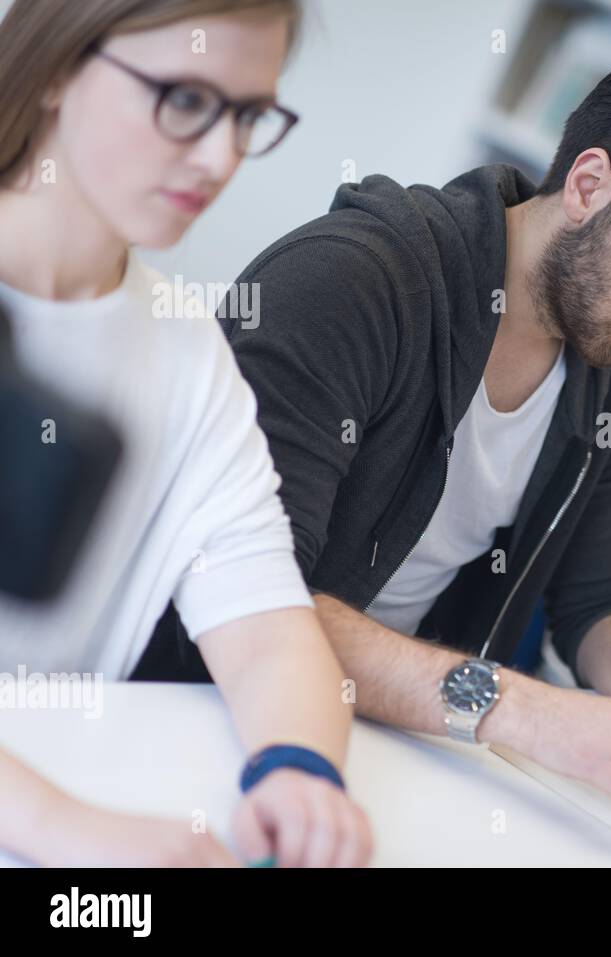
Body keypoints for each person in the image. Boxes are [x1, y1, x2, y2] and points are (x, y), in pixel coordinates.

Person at [143, 34, 611, 818]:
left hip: (403, 746)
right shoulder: (350, 282)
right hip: (208, 728)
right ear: (589, 185)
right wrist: (519, 708)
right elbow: (250, 592)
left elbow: (608, 592)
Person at [0, 0, 371, 867]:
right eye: (186, 100)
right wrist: (70, 831)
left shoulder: (184, 344)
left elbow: (266, 620)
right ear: (58, 67)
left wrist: (299, 769)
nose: (219, 158)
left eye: (247, 116)